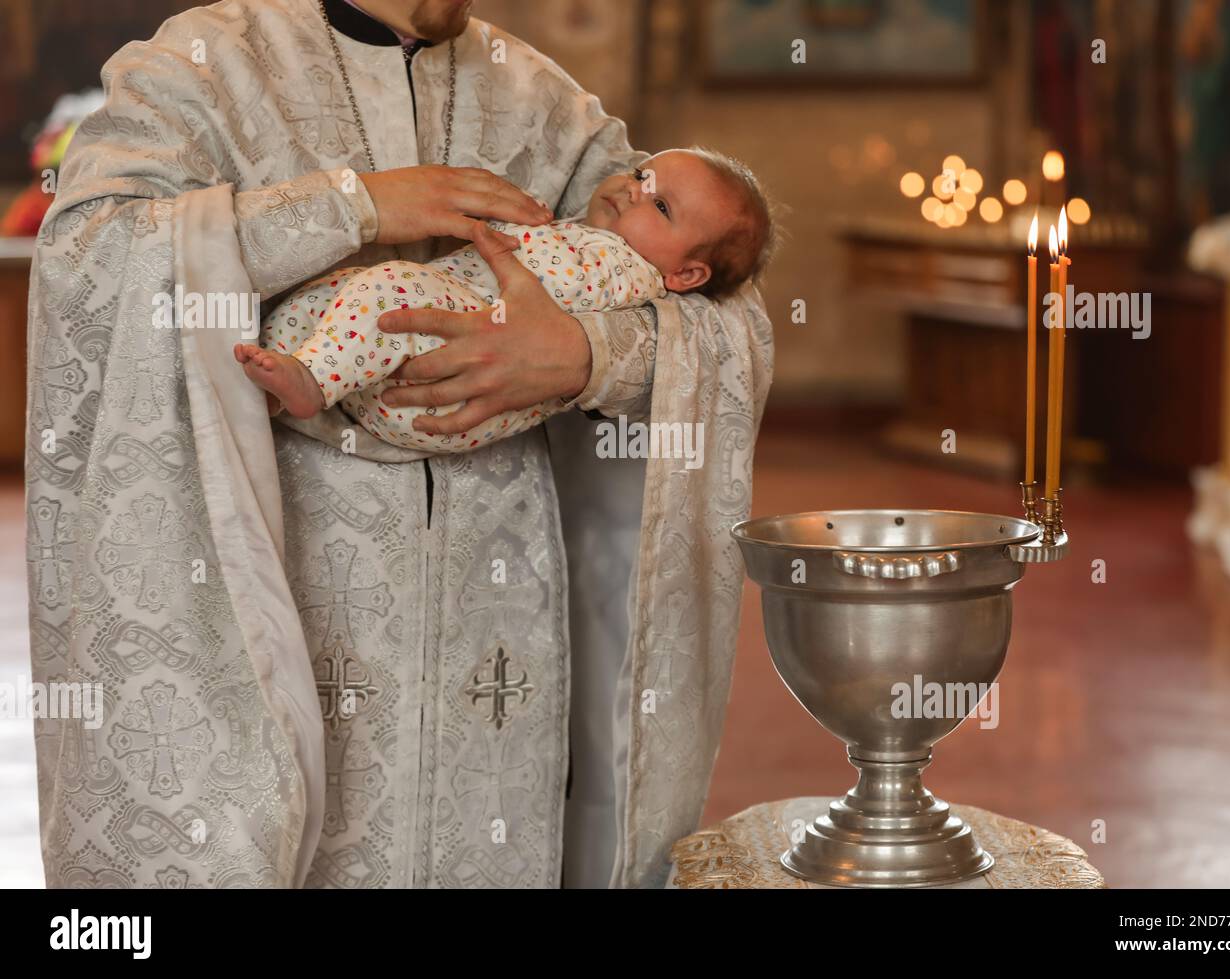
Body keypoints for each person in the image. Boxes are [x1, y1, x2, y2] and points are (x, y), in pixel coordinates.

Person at [25, 0, 773, 889]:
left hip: (499, 628)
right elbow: (87, 263)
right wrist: (352, 207)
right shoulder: (203, 63)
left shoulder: (543, 102)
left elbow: (729, 316)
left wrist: (581, 354)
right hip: (290, 582)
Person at [235, 147, 775, 451]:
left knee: (387, 286)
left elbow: (565, 287)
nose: (636, 189)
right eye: (640, 175)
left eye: (660, 207)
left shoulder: (629, 269)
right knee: (335, 293)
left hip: (448, 392)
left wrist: (499, 229)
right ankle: (290, 380)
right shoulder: (594, 235)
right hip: (402, 377)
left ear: (686, 273)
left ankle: (309, 381)